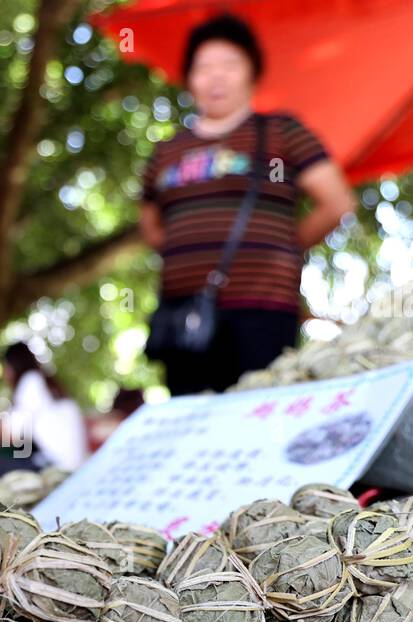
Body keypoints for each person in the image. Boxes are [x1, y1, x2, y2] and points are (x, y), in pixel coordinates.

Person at [139, 13, 355, 395]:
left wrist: (282, 249)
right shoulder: (166, 151)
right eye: (204, 67)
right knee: (192, 428)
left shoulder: (281, 133)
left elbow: (336, 203)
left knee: (260, 416)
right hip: (185, 318)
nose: (216, 77)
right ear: (189, 78)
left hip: (263, 312)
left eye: (229, 65)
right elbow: (151, 226)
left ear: (252, 73)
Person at [2, 343, 89, 471]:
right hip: (69, 462)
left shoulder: (30, 382)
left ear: (13, 365)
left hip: (59, 465)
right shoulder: (45, 383)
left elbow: (11, 434)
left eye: (5, 367)